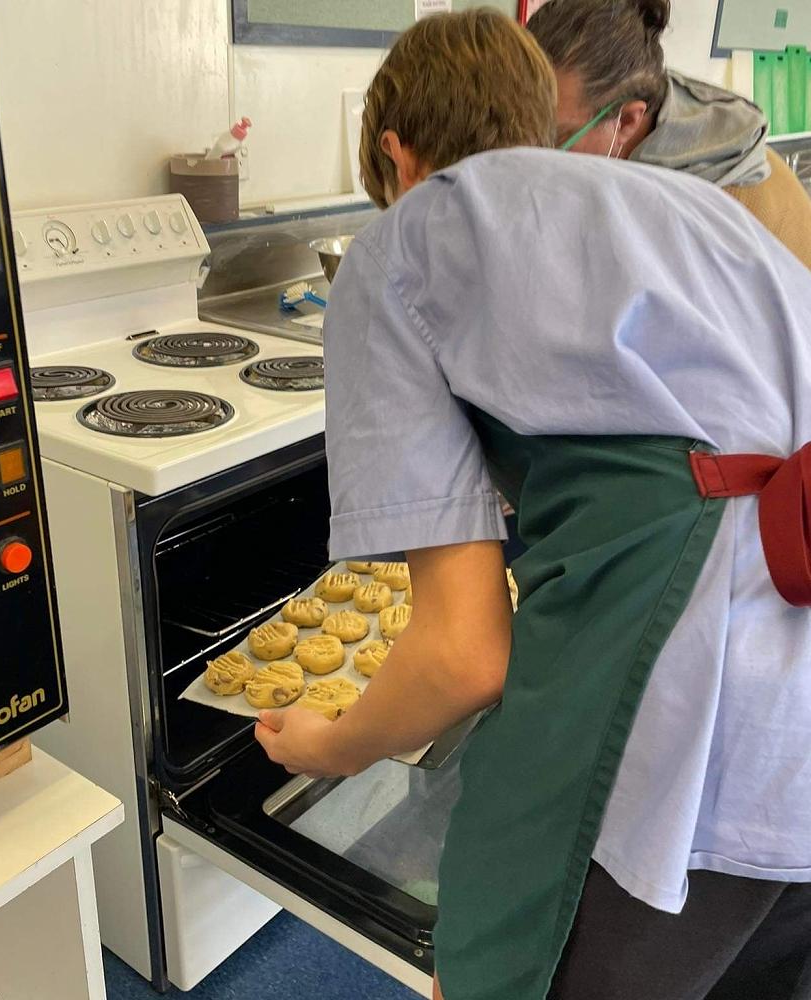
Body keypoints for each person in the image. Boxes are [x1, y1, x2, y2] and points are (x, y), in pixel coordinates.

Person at [254, 9, 811, 1000]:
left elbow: (465, 654)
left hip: (685, 711)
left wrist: (330, 744)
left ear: (394, 153)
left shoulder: (402, 244)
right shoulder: (699, 209)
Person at [528, 0, 811, 269]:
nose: (531, 148)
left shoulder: (714, 215)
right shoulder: (642, 95)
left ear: (627, 120)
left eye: (556, 137)